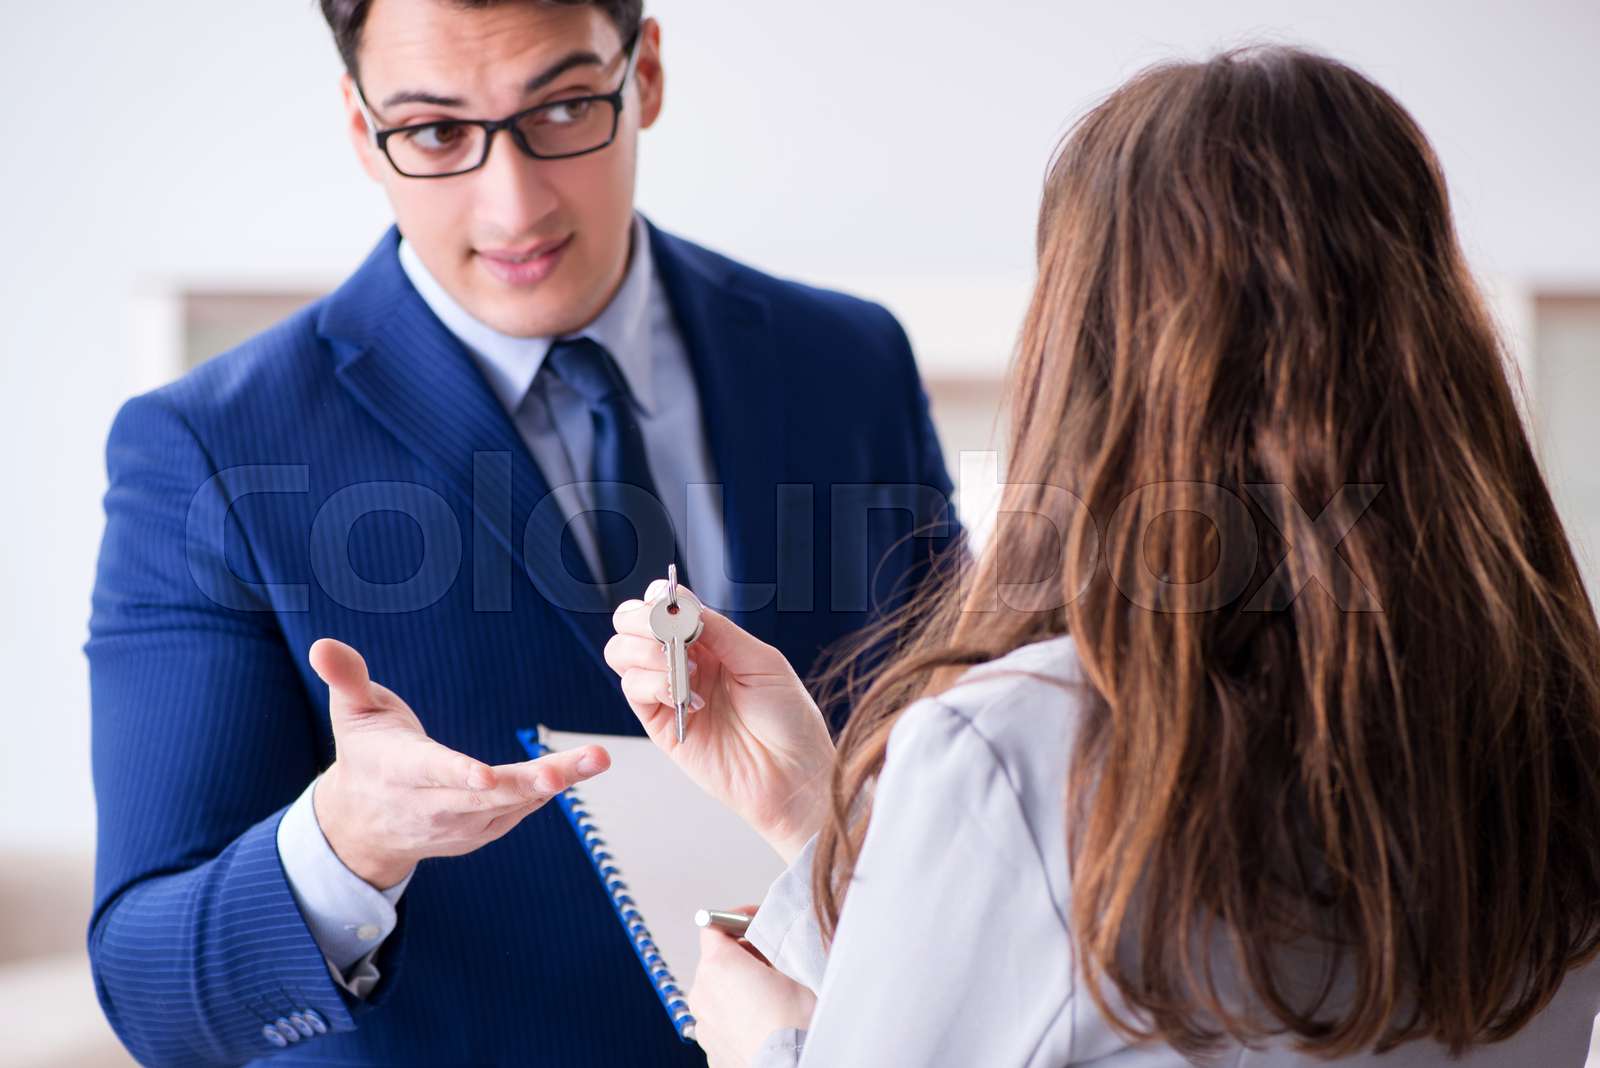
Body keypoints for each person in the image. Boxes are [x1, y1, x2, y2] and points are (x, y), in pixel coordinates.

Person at [605, 45, 1600, 1067]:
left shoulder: (1022, 745)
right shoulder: (1548, 727)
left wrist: (764, 1043)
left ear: (1084, 348)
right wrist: (812, 816)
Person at [84, 0, 953, 1064]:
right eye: (438, 133)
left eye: (563, 107)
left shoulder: (848, 361)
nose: (515, 204)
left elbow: (952, 790)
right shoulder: (206, 447)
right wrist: (344, 847)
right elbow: (153, 991)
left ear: (647, 76)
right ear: (364, 132)